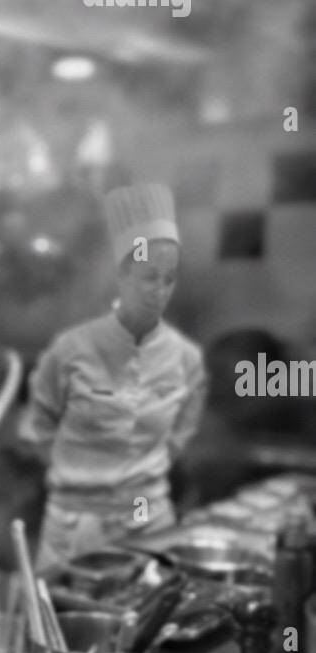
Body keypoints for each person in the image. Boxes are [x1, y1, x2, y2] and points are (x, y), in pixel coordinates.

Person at [19, 182, 207, 570]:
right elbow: (38, 433)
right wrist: (86, 488)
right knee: (62, 628)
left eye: (169, 279)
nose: (160, 291)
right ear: (122, 277)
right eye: (148, 277)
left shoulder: (187, 359)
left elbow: (179, 438)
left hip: (151, 527)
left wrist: (137, 485)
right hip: (75, 533)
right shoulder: (70, 351)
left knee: (153, 625)